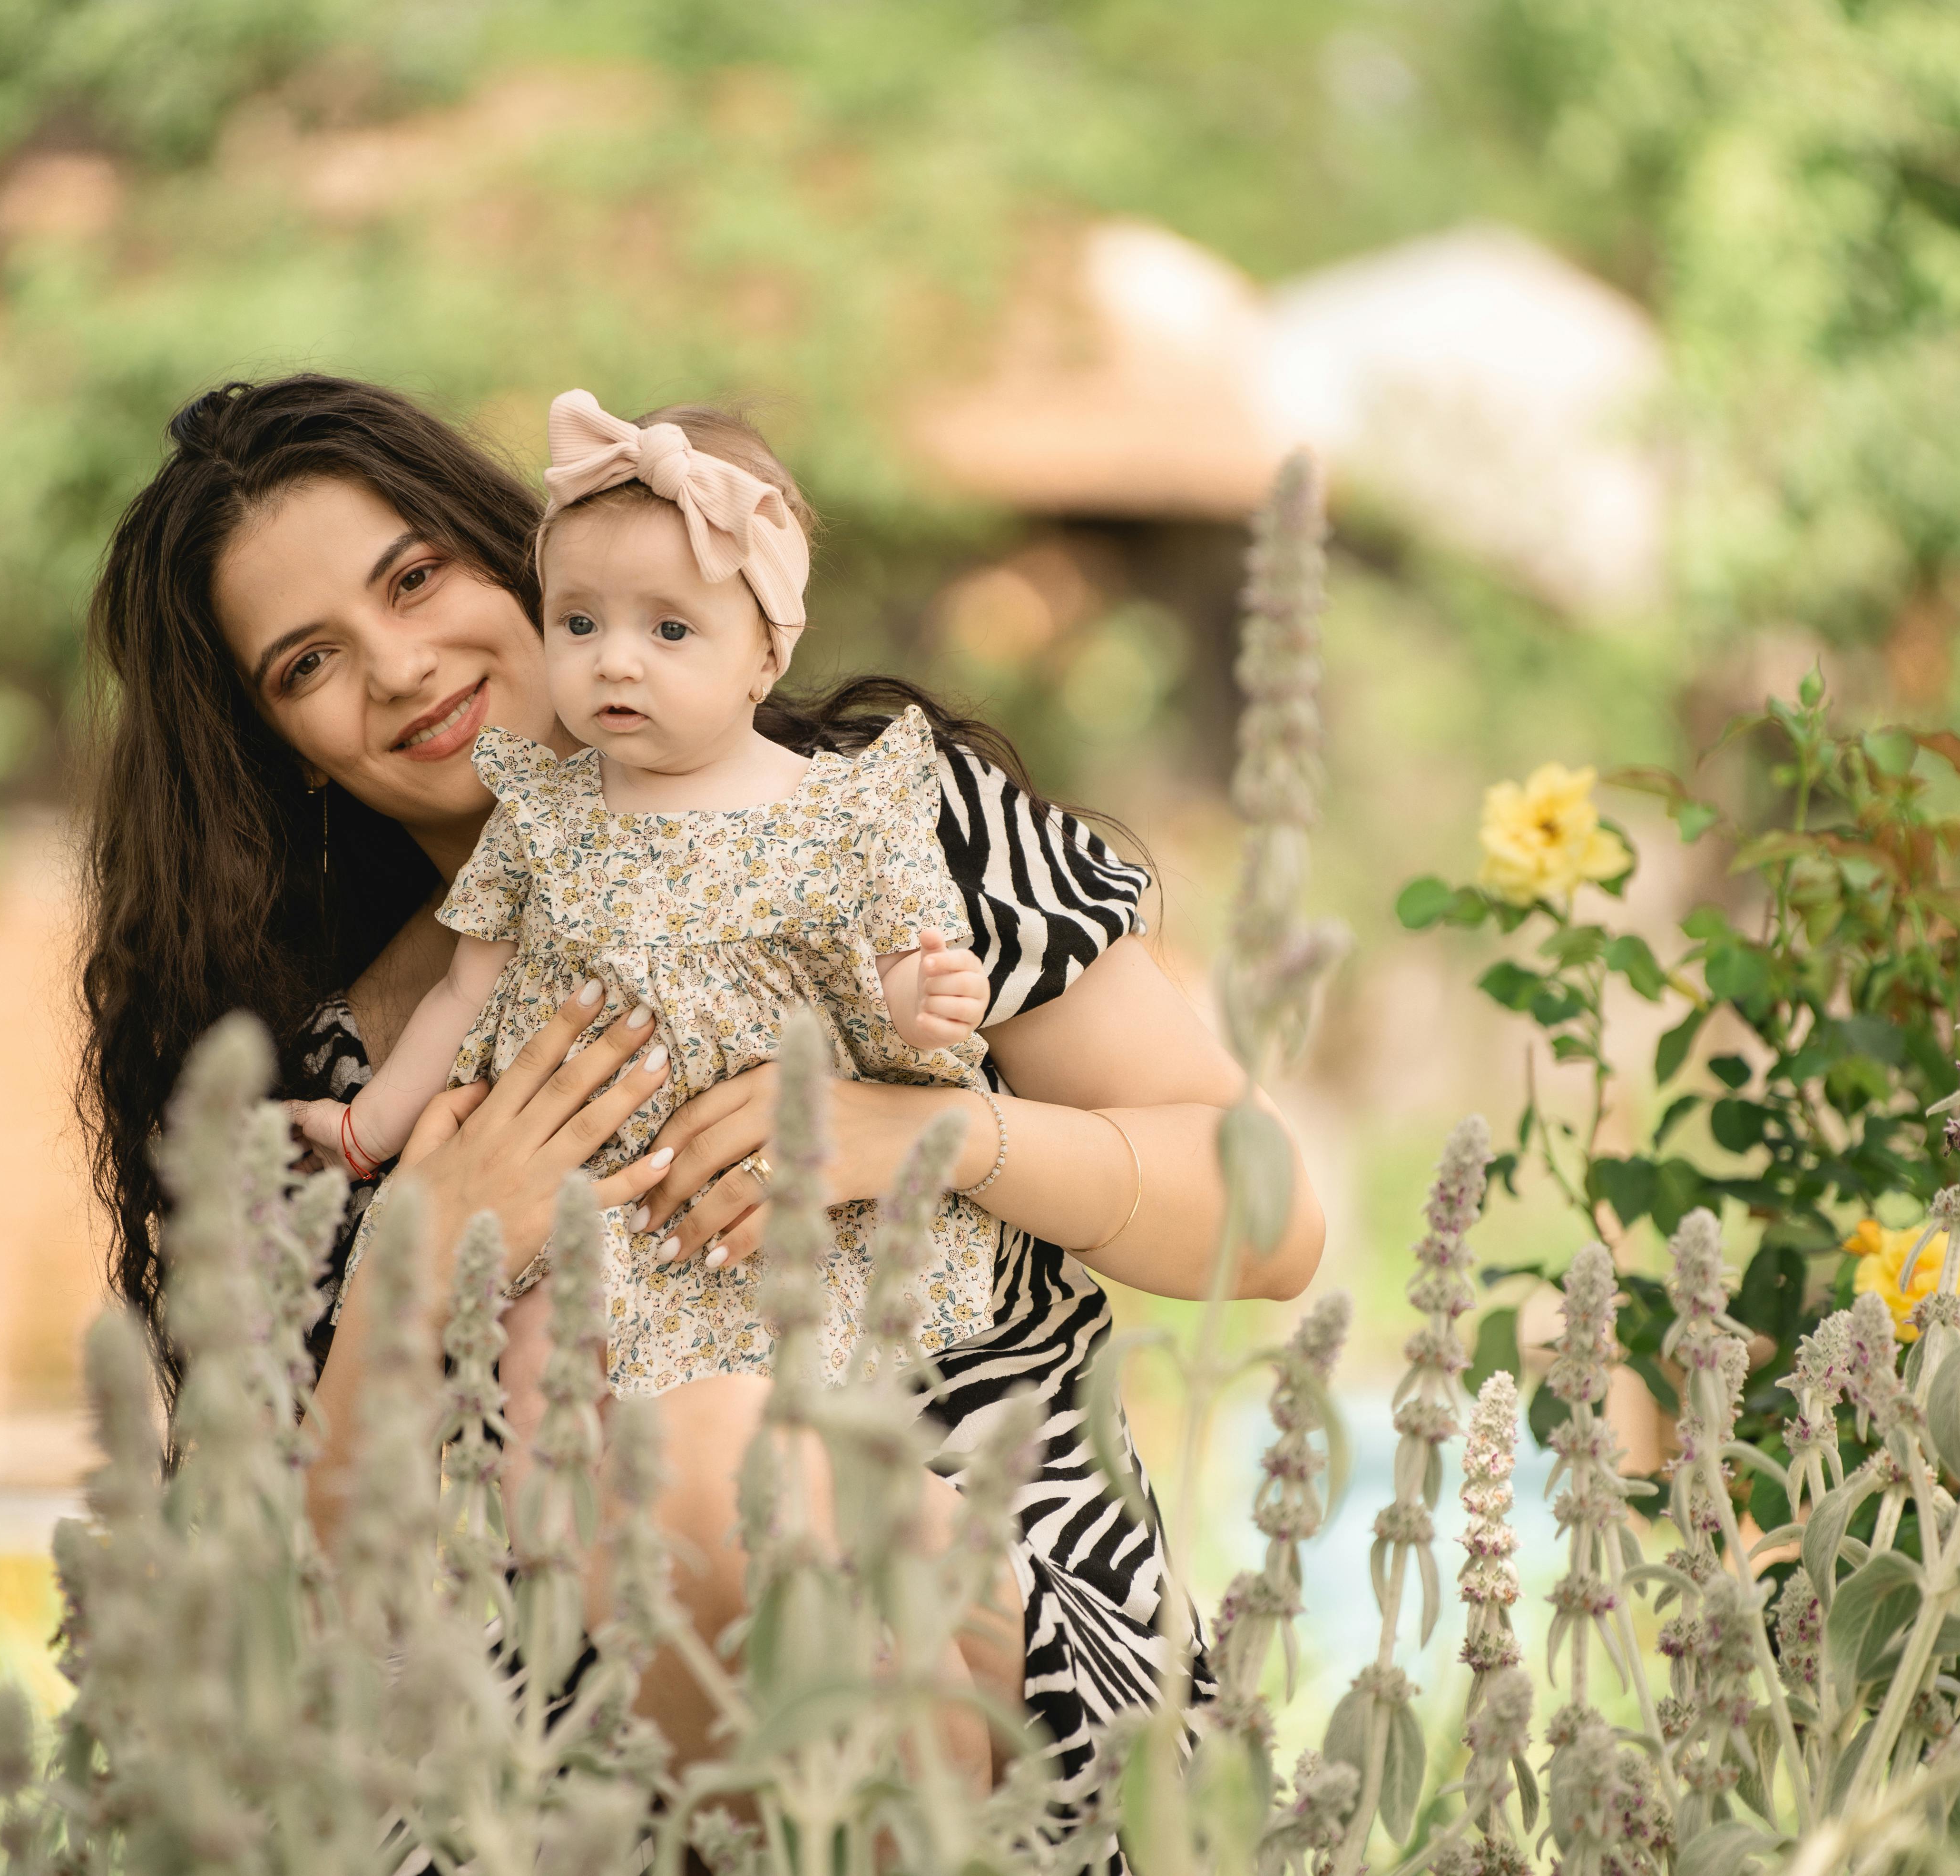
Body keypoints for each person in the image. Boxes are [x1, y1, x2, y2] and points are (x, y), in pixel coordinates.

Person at [77, 373, 1328, 1820]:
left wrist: (934, 1135)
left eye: (415, 579)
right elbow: (251, 1634)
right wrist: (408, 1280)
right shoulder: (318, 1086)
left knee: (732, 1470)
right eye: (308, 662)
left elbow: (1273, 1225)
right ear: (276, 749)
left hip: (1018, 1675)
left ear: (517, 555)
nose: (403, 666)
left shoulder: (887, 826)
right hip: (546, 1770)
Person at [293, 389, 1001, 1394]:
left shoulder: (842, 807)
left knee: (764, 1411)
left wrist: (925, 1001)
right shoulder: (542, 812)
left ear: (765, 651)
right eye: (578, 622)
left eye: (669, 630)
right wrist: (368, 1130)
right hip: (571, 1200)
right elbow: (464, 994)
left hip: (749, 1209)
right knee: (536, 1370)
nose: (614, 659)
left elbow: (881, 978)